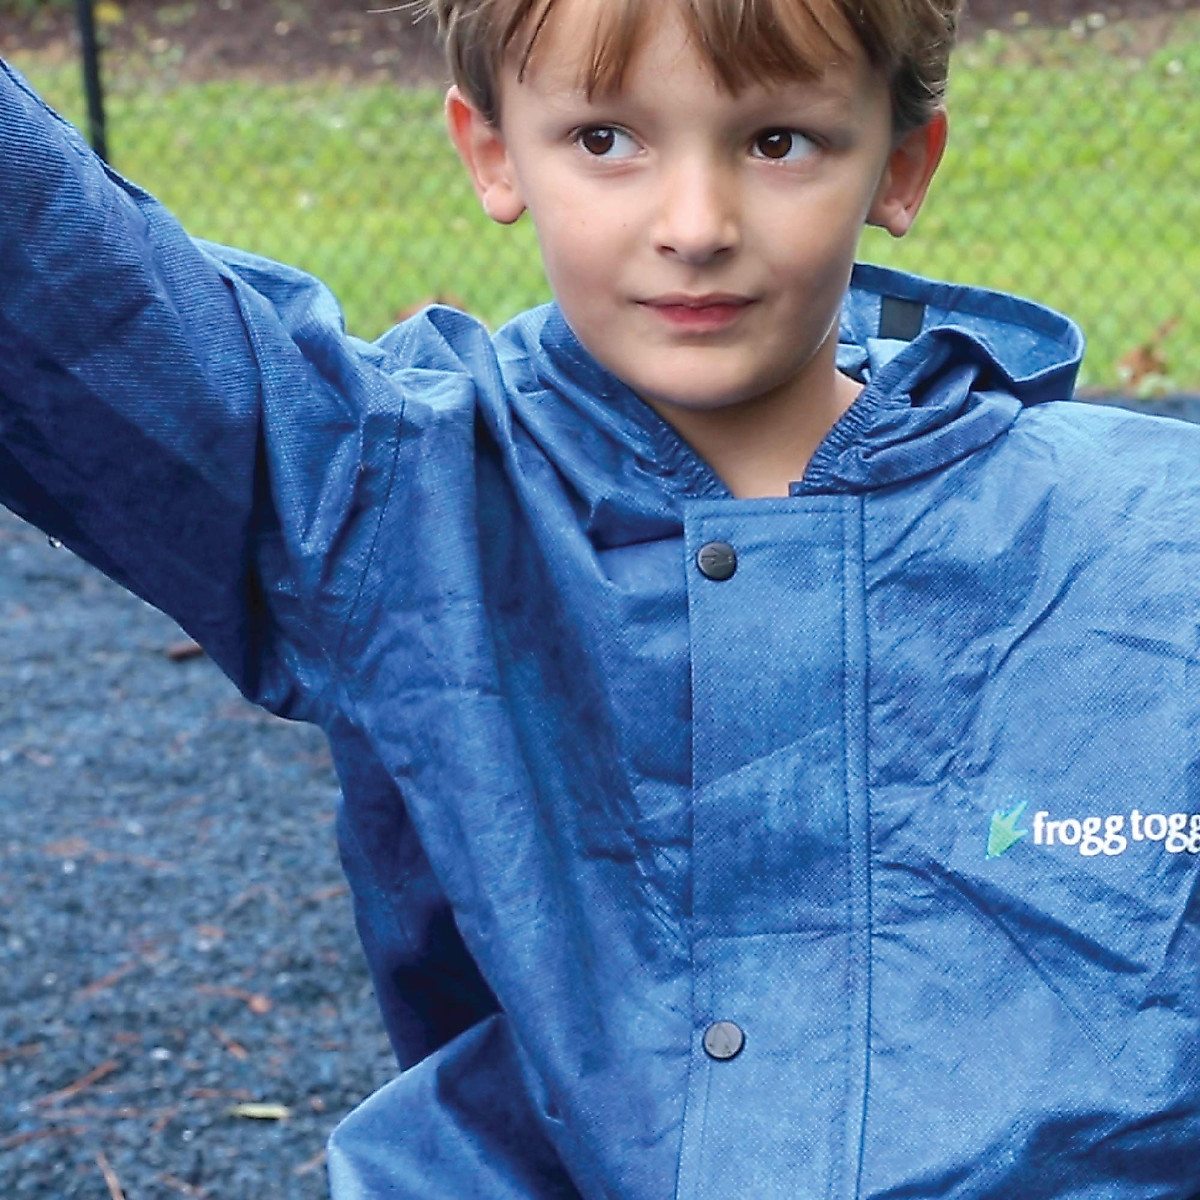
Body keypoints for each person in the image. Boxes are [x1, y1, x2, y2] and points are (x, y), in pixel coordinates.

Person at [2, 0, 1198, 1195]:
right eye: (606, 139)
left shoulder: (1150, 538)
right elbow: (72, 290)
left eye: (777, 141)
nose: (696, 226)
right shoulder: (394, 492)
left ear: (900, 164)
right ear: (492, 152)